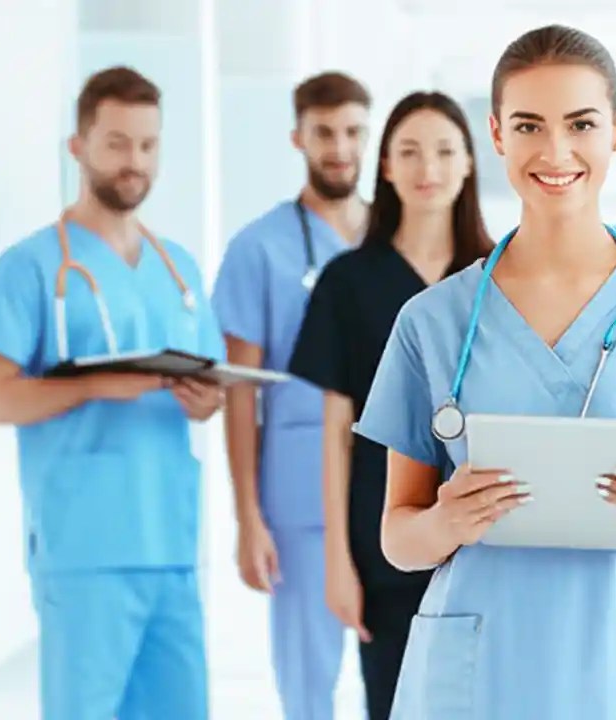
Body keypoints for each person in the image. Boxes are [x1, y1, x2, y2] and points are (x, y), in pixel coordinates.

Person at [352, 25, 616, 720]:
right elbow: (398, 540)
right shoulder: (432, 321)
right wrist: (448, 521)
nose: (555, 152)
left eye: (580, 124)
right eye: (528, 126)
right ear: (496, 135)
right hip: (485, 664)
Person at [0, 66, 224, 719]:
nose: (133, 162)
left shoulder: (180, 270)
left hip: (170, 546)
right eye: (116, 143)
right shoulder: (31, 267)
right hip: (84, 548)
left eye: (147, 145)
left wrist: (207, 400)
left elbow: (208, 386)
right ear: (78, 147)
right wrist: (95, 387)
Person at [288, 90, 493, 720]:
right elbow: (334, 434)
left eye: (443, 151)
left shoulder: (498, 278)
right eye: (408, 151)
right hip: (383, 545)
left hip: (488, 542)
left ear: (468, 165)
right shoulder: (347, 282)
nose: (426, 168)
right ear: (385, 166)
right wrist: (337, 563)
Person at [210, 70, 371, 720]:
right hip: (302, 498)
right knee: (309, 686)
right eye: (324, 133)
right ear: (297, 137)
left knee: (401, 675)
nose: (339, 148)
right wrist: (248, 516)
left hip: (393, 487)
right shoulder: (259, 248)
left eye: (353, 131)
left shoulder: (396, 236)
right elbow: (239, 395)